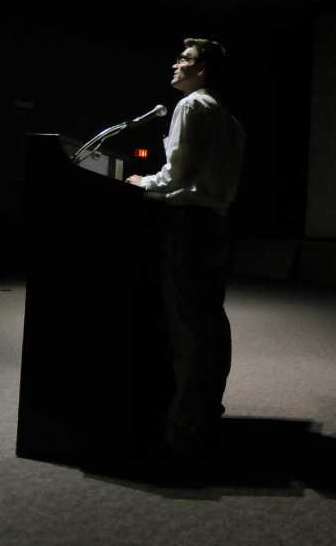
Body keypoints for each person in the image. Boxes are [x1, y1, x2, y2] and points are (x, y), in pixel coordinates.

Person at [126, 37, 245, 456]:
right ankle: (206, 409)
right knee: (211, 323)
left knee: (190, 329)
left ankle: (185, 427)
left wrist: (143, 183)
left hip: (190, 225)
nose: (175, 64)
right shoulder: (229, 119)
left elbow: (176, 174)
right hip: (215, 225)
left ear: (203, 71)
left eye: (185, 59)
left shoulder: (191, 106)